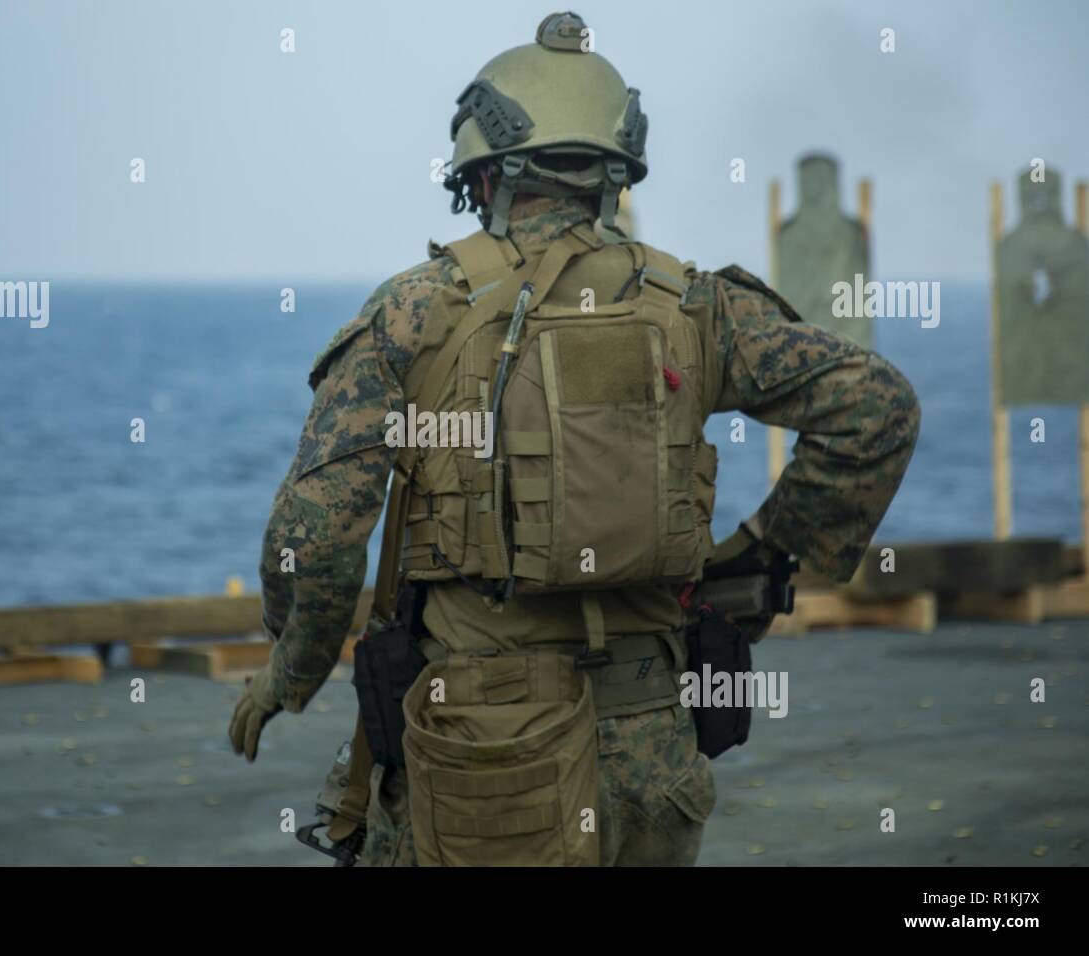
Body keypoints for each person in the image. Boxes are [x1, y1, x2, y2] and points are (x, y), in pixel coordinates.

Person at [229, 11, 919, 866]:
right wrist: (762, 561)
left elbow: (315, 535)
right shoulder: (696, 305)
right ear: (615, 175)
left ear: (481, 177)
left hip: (487, 754)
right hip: (655, 752)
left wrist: (289, 674)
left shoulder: (414, 311)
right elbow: (877, 405)